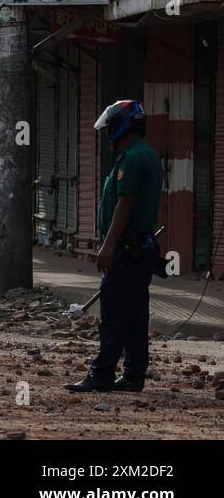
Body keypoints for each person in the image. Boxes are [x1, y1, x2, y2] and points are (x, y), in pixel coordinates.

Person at [65, 100, 163, 394]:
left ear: (123, 126)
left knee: (115, 315)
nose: (108, 133)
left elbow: (125, 203)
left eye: (110, 127)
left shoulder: (133, 158)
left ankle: (102, 374)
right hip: (138, 249)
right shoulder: (143, 155)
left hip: (127, 250)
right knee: (134, 316)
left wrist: (107, 246)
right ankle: (133, 375)